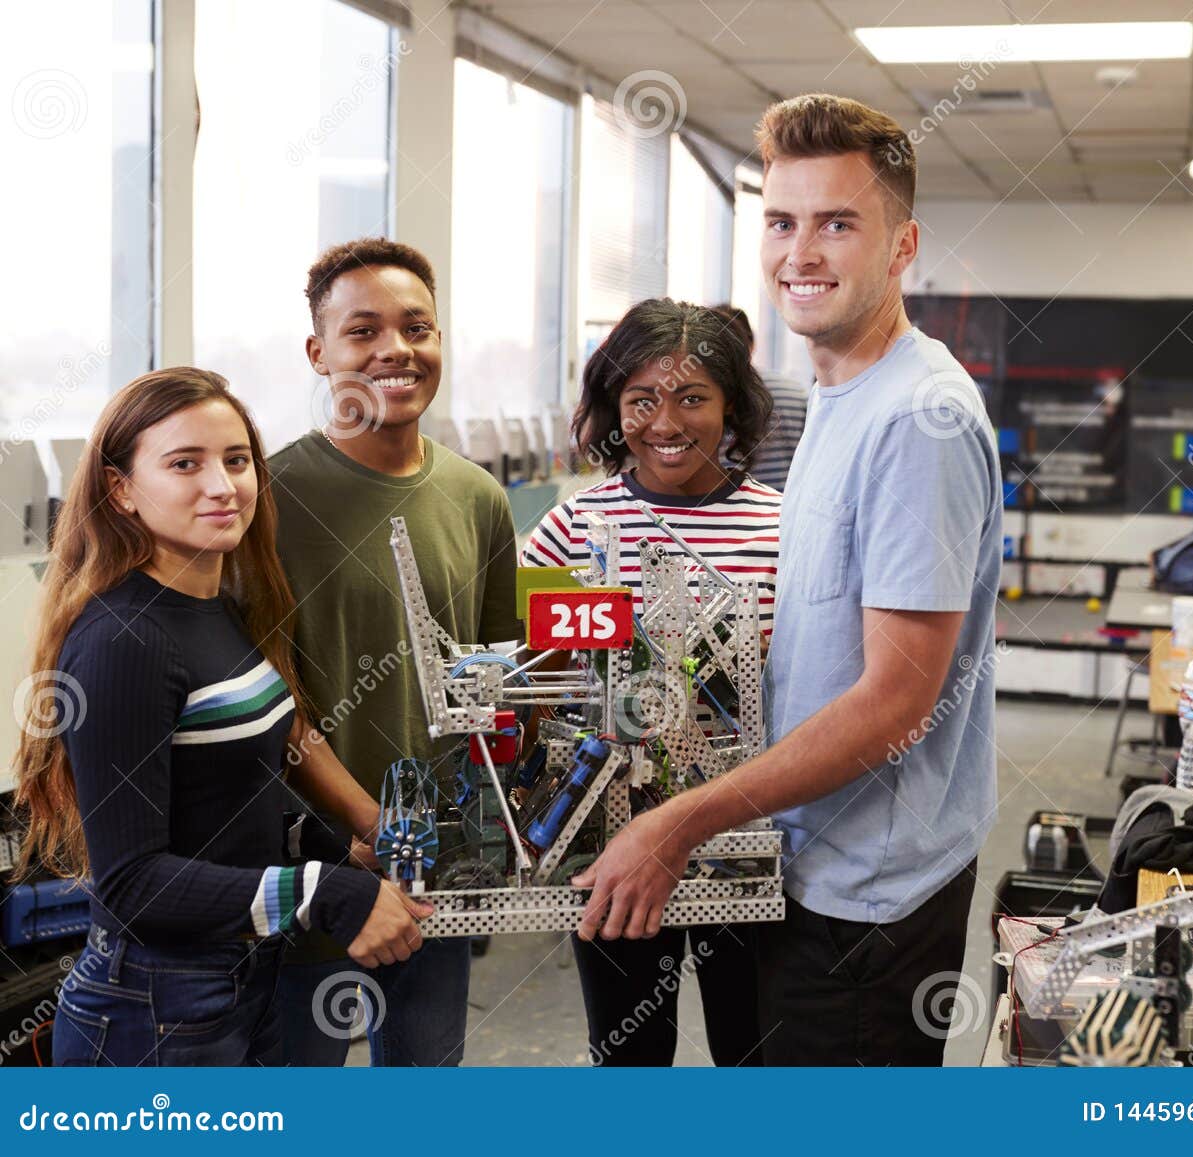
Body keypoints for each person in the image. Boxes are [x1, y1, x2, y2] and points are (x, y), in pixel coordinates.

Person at [569, 94, 1003, 1066]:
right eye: (780, 222)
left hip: (867, 904)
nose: (800, 252)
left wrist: (679, 822)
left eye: (837, 223)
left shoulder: (916, 421)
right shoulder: (839, 397)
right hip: (809, 864)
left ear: (901, 246)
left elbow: (895, 701)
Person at [11, 368, 429, 1067]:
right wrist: (325, 891)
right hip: (153, 1008)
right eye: (185, 464)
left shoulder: (217, 605)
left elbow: (222, 799)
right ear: (121, 488)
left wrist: (335, 847)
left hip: (242, 982)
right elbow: (132, 883)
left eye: (236, 460)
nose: (223, 485)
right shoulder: (126, 638)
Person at [270, 238, 523, 1066]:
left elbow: (495, 687)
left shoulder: (478, 499)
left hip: (436, 874)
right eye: (363, 331)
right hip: (309, 873)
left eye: (417, 328)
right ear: (319, 352)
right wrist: (367, 824)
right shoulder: (265, 499)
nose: (395, 350)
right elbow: (262, 704)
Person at [522, 298, 778, 1066]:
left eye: (693, 397)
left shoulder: (784, 528)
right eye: (641, 399)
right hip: (616, 845)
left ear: (731, 404)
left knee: (756, 1054)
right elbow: (531, 678)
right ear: (614, 406)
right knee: (629, 1058)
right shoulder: (571, 531)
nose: (665, 422)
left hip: (747, 834)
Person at [709, 304, 810, 491]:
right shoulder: (796, 393)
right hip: (790, 502)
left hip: (731, 505)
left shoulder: (705, 399)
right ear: (752, 344)